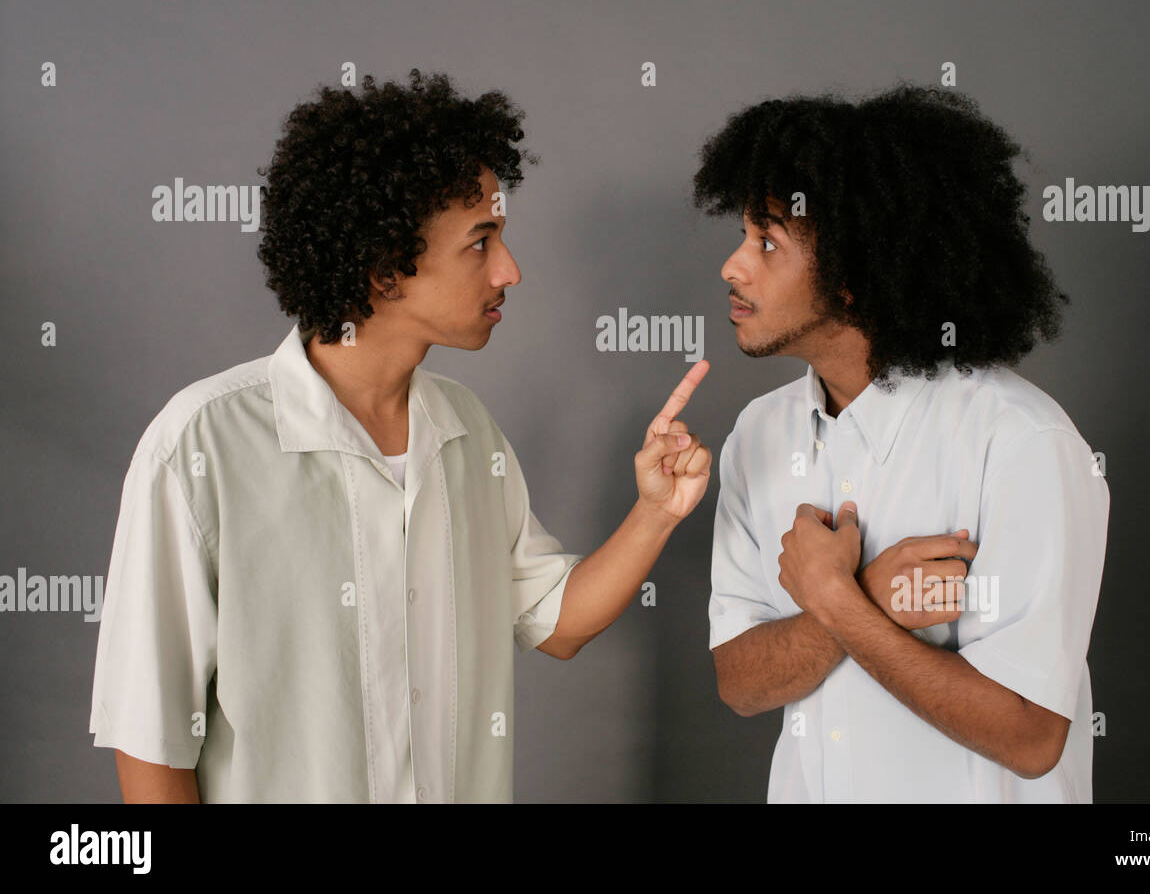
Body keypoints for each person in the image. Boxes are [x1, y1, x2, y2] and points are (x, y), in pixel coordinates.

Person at [88, 69, 712, 803]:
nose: (510, 270)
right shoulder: (200, 447)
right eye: (481, 243)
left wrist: (656, 511)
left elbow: (558, 624)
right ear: (384, 267)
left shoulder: (469, 433)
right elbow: (152, 744)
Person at [698, 84, 1110, 802]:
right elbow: (739, 680)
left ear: (855, 275)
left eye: (767, 241)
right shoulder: (757, 436)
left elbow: (1032, 738)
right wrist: (867, 600)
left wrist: (837, 600)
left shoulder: (1021, 444)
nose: (733, 267)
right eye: (742, 236)